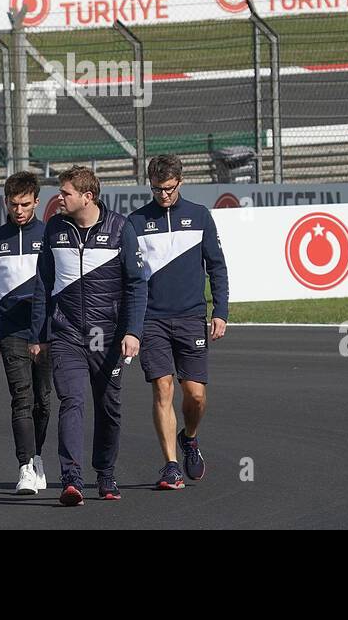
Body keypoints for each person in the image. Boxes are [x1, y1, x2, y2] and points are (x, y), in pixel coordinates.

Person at [31, 165, 146, 506]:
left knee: (108, 407)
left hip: (107, 336)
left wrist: (133, 331)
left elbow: (137, 285)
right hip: (67, 333)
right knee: (72, 400)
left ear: (87, 196)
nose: (59, 199)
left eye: (65, 193)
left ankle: (106, 473)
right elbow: (43, 283)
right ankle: (71, 479)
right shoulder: (54, 228)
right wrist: (39, 334)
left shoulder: (121, 228)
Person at [128, 155, 229, 490]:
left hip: (191, 317)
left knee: (195, 395)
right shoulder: (136, 222)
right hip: (152, 319)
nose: (164, 195)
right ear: (150, 185)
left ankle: (191, 437)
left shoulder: (200, 216)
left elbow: (217, 266)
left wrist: (220, 311)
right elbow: (129, 278)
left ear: (180, 183)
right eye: (157, 189)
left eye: (169, 189)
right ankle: (170, 466)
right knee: (163, 387)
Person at [0, 172, 52, 495]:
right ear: (5, 203)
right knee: (21, 396)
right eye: (13, 204)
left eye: (24, 204)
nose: (18, 210)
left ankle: (37, 458)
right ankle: (24, 467)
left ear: (37, 201)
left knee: (43, 401)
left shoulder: (51, 235)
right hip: (10, 330)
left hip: (46, 331)